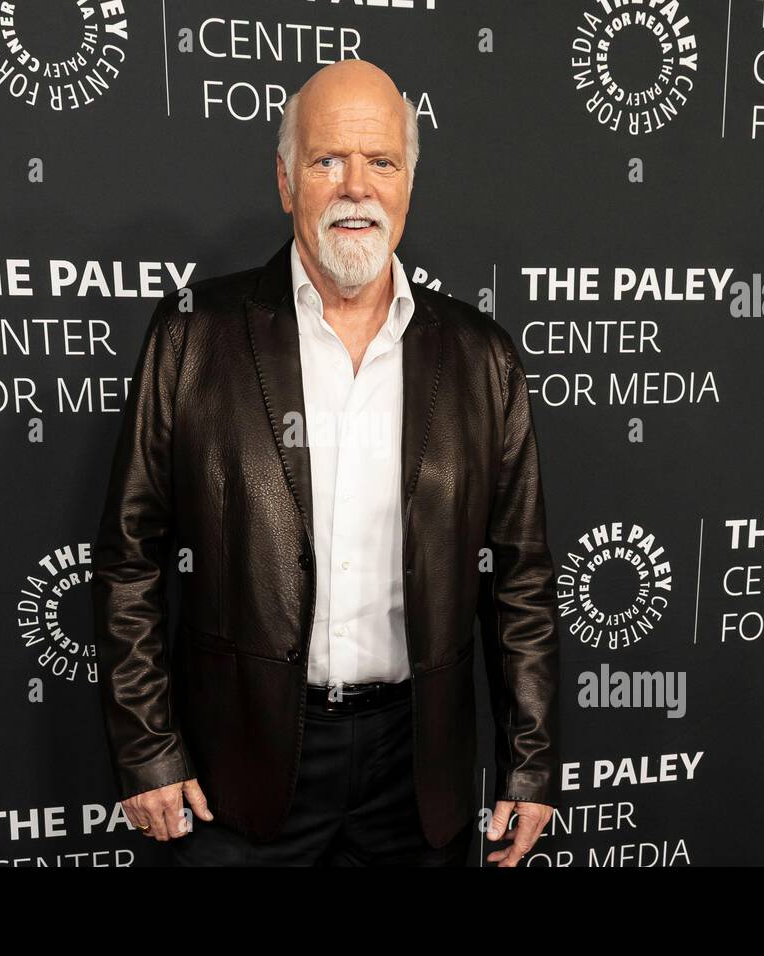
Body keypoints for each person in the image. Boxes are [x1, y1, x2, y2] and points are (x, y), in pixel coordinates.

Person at [92, 59, 559, 867]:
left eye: (381, 162)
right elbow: (130, 560)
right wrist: (147, 748)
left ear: (409, 182)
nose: (356, 187)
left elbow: (519, 578)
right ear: (285, 181)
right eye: (326, 161)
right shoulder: (193, 336)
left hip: (419, 774)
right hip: (236, 767)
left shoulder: (482, 358)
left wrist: (531, 760)